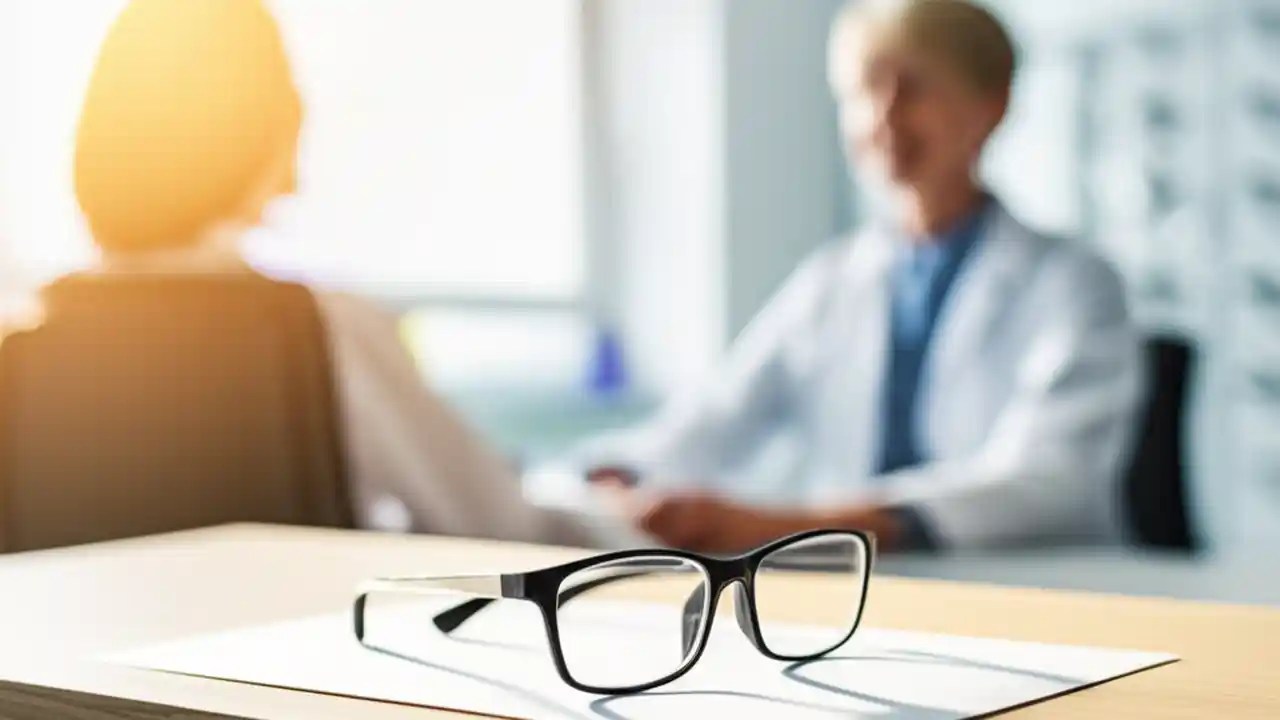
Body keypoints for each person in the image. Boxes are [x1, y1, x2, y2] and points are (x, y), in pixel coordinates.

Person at [593, 0, 1142, 553]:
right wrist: (616, 478)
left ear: (991, 104)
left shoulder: (1075, 285)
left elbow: (1048, 480)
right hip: (860, 583)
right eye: (866, 88)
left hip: (1031, 584)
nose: (884, 116)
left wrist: (785, 528)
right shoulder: (831, 282)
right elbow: (714, 420)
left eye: (915, 88)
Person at [67, 0, 599, 546]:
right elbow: (500, 528)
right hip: (295, 628)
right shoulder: (317, 334)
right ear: (264, 134)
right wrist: (617, 519)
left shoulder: (25, 346)